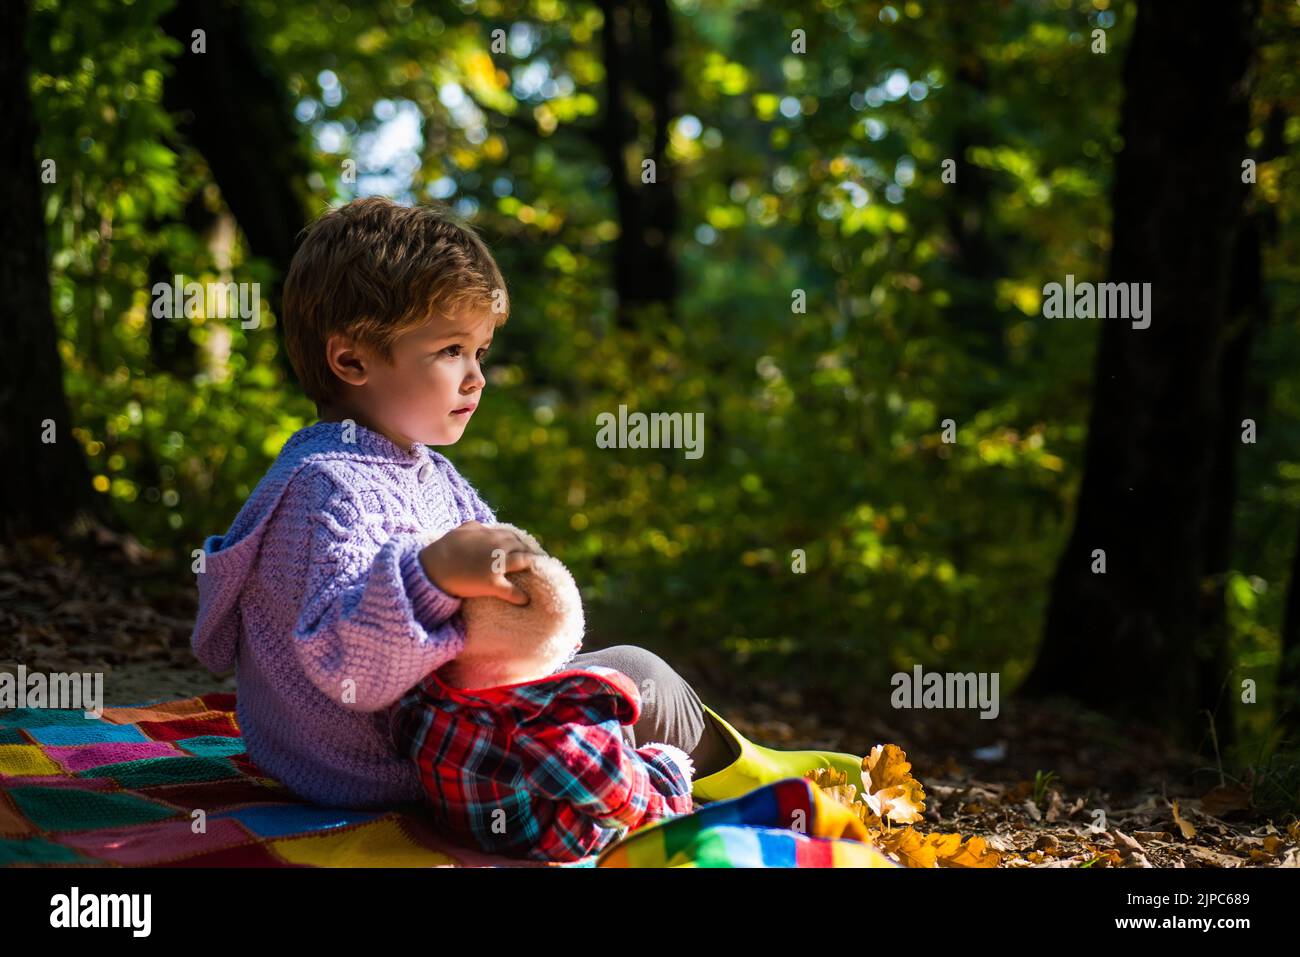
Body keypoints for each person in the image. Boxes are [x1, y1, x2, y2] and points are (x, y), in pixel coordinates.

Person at [189, 197, 864, 827]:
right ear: (351, 357)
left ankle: (733, 762)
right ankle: (749, 778)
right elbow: (349, 667)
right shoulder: (324, 488)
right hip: (385, 762)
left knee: (606, 678)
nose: (477, 375)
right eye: (451, 349)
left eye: (480, 351)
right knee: (637, 676)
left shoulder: (425, 472)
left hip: (419, 738)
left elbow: (522, 618)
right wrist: (433, 575)